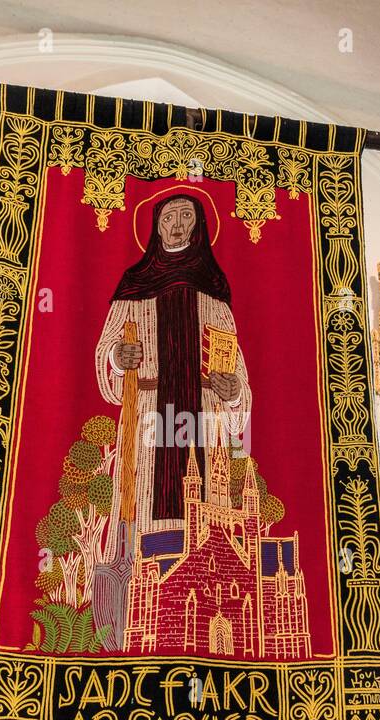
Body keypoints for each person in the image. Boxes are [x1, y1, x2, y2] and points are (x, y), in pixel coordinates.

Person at [94, 194, 252, 546]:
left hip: (203, 415)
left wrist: (234, 390)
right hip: (148, 409)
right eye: (168, 218)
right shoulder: (134, 283)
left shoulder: (212, 286)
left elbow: (234, 362)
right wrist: (118, 358)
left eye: (185, 217)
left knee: (207, 504)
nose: (177, 226)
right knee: (144, 500)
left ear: (199, 225)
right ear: (156, 226)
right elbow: (106, 349)